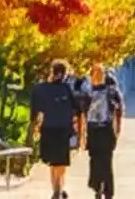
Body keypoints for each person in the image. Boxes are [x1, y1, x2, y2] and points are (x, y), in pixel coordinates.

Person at [31, 60, 79, 199]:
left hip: (48, 129)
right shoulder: (66, 89)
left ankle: (56, 188)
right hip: (63, 129)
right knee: (61, 162)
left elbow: (37, 112)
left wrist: (36, 127)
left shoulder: (41, 89)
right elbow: (76, 109)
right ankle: (59, 186)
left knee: (53, 162)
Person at [83, 64, 124, 199]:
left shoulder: (111, 91)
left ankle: (108, 190)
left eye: (100, 73)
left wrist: (118, 128)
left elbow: (119, 109)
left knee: (106, 161)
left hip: (106, 129)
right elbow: (83, 113)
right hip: (93, 129)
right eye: (94, 73)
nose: (97, 75)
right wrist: (82, 134)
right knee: (94, 160)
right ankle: (97, 186)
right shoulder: (88, 91)